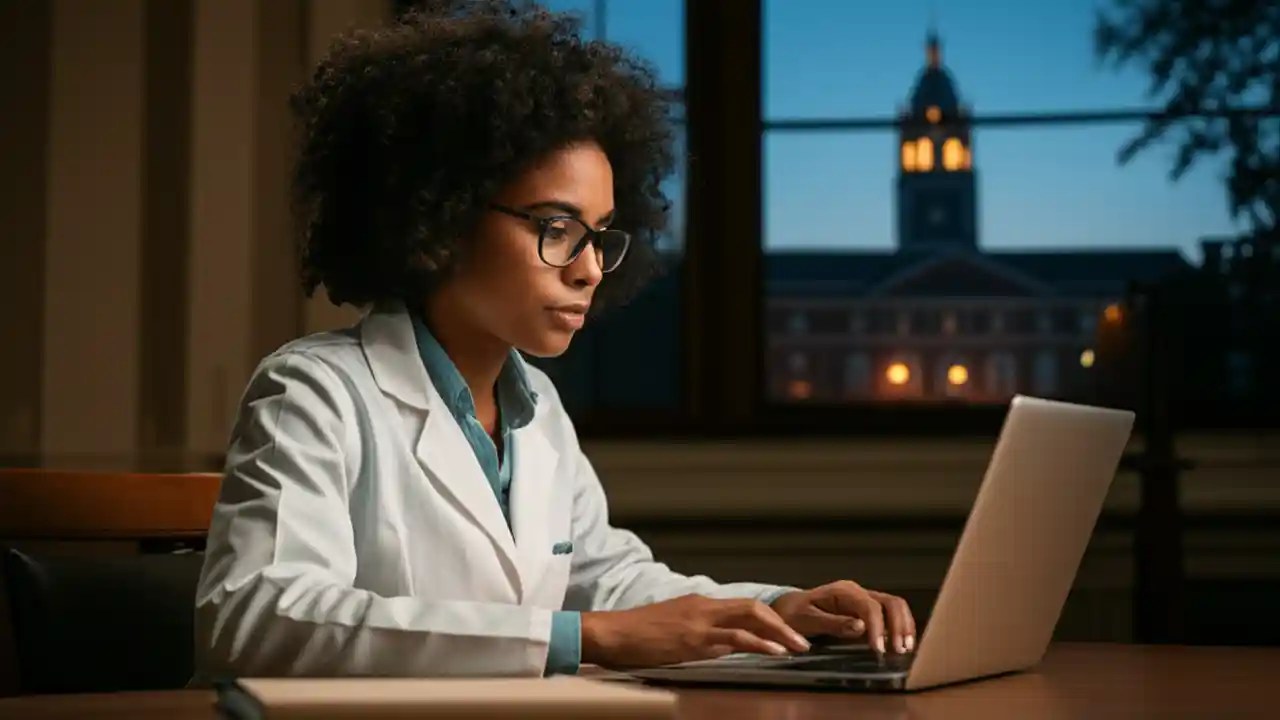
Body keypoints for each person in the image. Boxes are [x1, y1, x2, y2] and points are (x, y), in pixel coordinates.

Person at [193, 0, 914, 681]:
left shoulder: (534, 404)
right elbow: (257, 617)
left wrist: (775, 611)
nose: (591, 269)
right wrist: (581, 638)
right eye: (556, 228)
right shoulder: (314, 393)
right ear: (438, 217)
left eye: (600, 236)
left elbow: (609, 578)